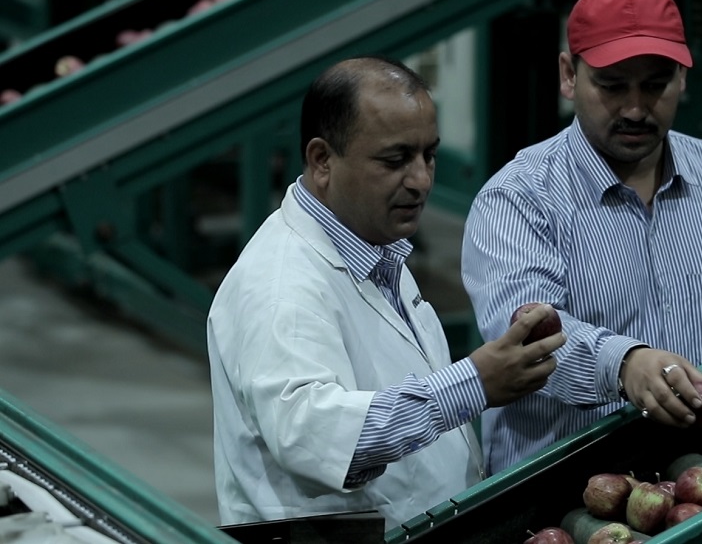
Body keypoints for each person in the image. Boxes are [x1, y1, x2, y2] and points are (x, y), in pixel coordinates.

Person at [206, 55, 566, 530]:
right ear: (322, 161)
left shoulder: (376, 247)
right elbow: (312, 435)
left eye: (429, 155)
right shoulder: (281, 286)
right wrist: (473, 385)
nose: (420, 180)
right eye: (395, 160)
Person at [461, 0, 702, 474]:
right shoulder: (518, 198)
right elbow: (526, 343)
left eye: (655, 85)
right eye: (612, 87)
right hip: (564, 496)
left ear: (682, 77)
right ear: (569, 76)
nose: (636, 108)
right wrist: (624, 364)